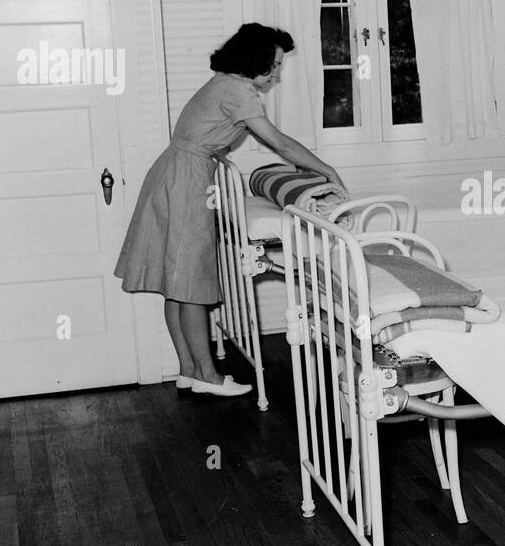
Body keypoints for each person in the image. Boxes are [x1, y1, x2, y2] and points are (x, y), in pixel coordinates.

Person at [114, 23, 346, 397]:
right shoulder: (239, 92)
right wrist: (326, 170)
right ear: (254, 59)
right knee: (190, 284)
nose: (274, 75)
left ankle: (188, 370)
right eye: (272, 66)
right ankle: (207, 375)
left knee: (177, 285)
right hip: (186, 181)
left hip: (172, 173)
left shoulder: (222, 83)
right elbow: (280, 144)